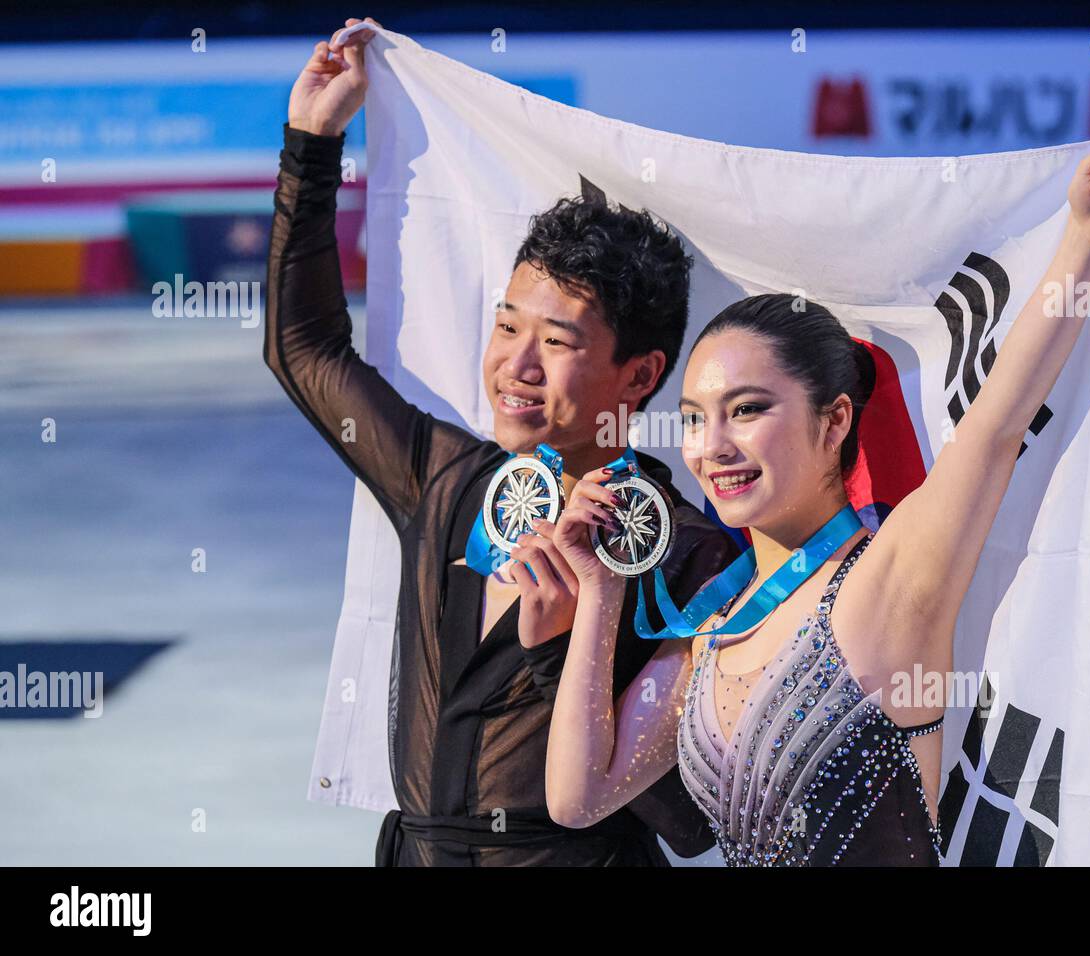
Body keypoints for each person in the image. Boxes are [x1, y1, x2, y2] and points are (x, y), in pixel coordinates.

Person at [541, 129, 1090, 865]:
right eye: (698, 419)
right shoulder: (709, 629)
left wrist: (1084, 241)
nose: (713, 448)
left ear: (834, 420)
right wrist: (602, 591)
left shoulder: (889, 578)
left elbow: (994, 428)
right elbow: (577, 798)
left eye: (748, 410)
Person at [267, 17, 740, 865]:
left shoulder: (690, 556)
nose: (513, 365)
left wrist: (572, 649)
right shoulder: (445, 478)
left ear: (639, 374)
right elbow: (303, 349)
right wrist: (312, 143)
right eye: (505, 325)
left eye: (556, 342)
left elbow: (692, 820)